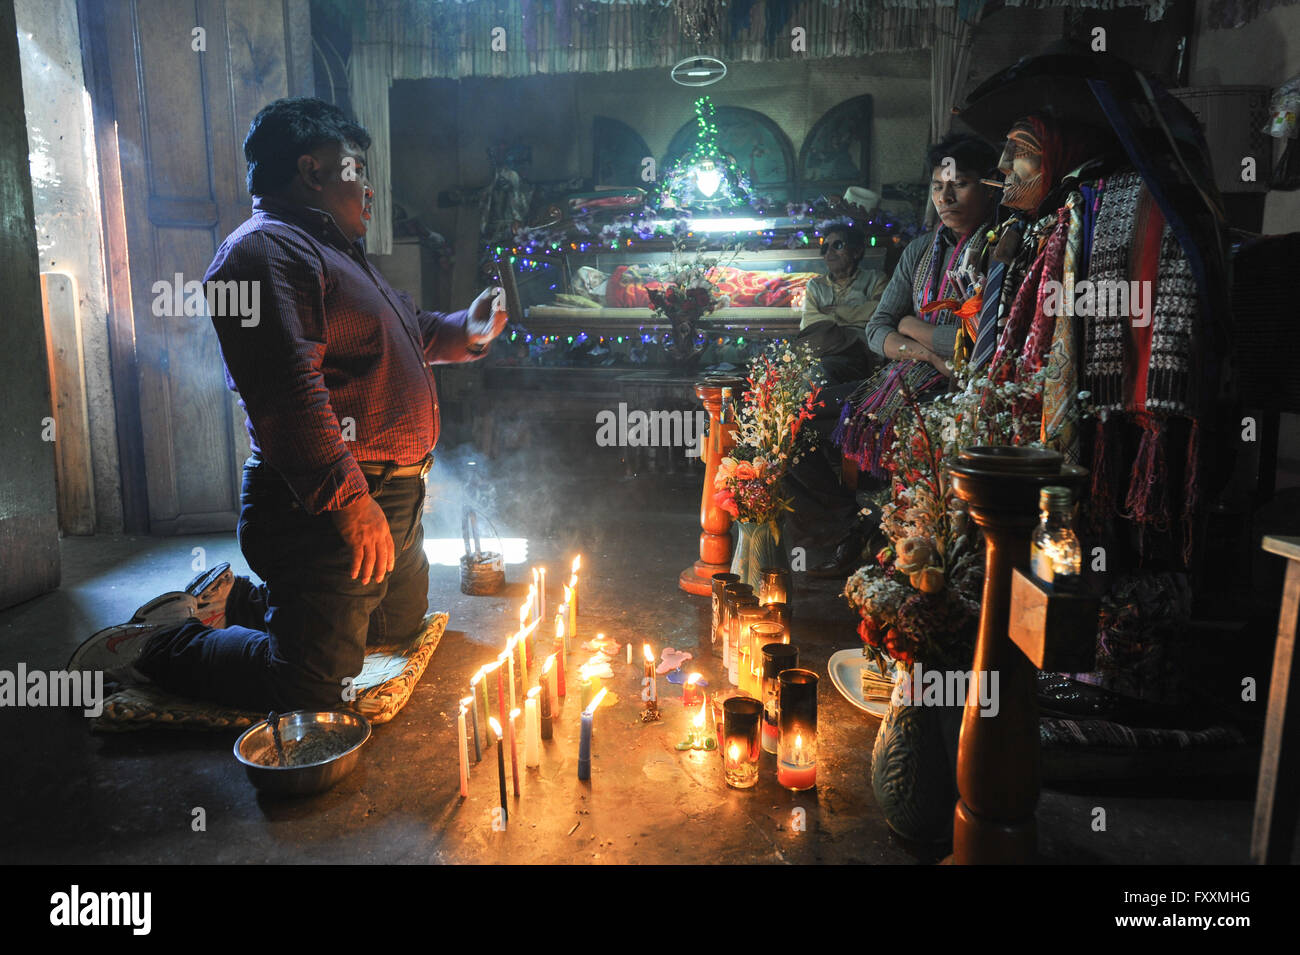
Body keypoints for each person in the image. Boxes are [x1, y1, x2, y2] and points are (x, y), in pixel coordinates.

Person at [68, 97, 507, 711]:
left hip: (396, 499)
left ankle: (240, 603)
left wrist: (473, 328)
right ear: (312, 170)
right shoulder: (266, 254)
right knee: (308, 683)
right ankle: (161, 649)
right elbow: (287, 397)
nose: (370, 189)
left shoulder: (335, 253)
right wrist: (349, 501)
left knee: (394, 632)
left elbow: (418, 332)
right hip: (323, 506)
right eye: (357, 169)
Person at [812, 133, 1002, 576]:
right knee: (801, 417)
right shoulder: (921, 250)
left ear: (989, 186)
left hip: (964, 388)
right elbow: (878, 328)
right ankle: (850, 528)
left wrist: (913, 325)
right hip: (911, 374)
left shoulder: (1002, 246)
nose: (946, 197)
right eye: (938, 186)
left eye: (962, 183)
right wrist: (929, 351)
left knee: (907, 436)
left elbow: (977, 338)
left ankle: (895, 545)